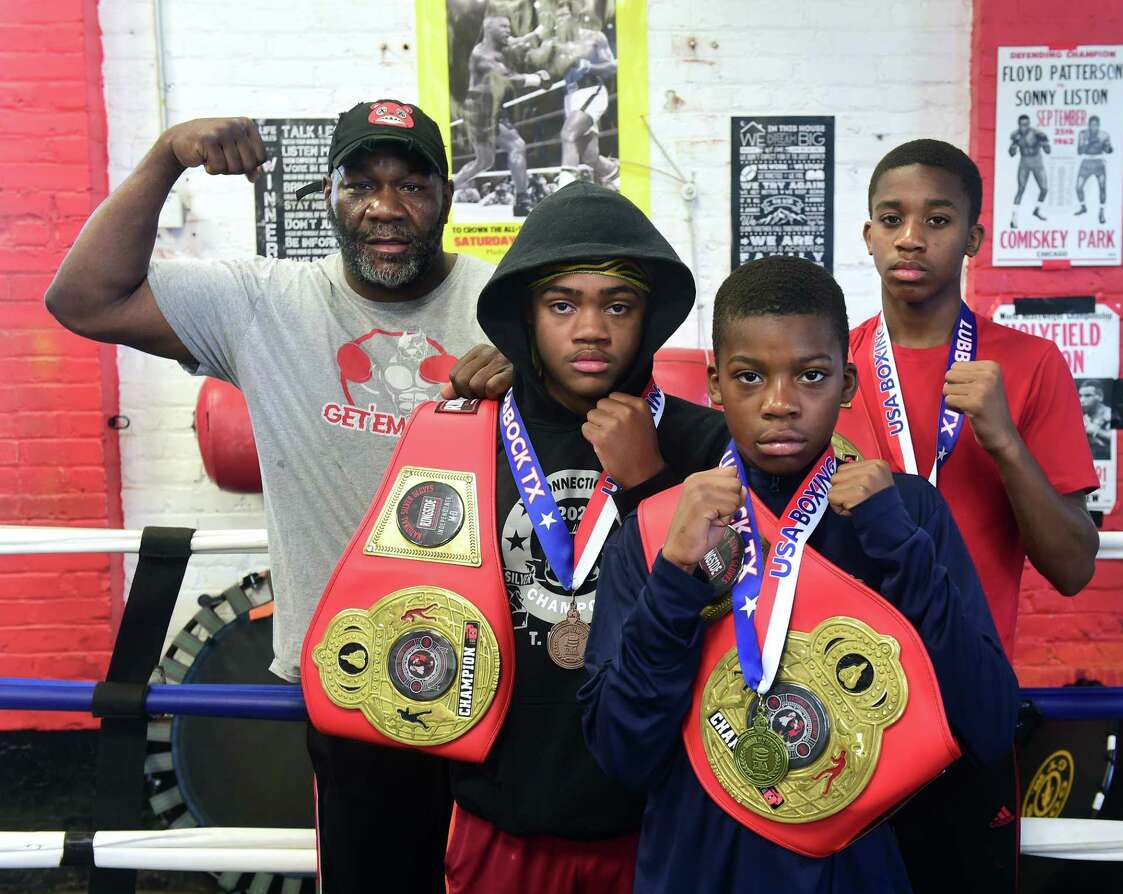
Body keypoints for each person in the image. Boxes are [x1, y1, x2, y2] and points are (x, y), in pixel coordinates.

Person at [44, 99, 512, 892]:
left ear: (446, 199)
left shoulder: (510, 303)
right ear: (326, 195)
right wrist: (165, 156)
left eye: (412, 186)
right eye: (360, 184)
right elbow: (82, 299)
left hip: (502, 670)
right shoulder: (266, 303)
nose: (386, 209)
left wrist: (533, 365)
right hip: (354, 674)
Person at [579, 256, 1017, 893]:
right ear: (716, 385)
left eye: (810, 376)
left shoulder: (907, 512)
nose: (780, 404)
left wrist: (899, 547)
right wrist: (675, 580)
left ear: (846, 382)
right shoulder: (664, 527)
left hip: (865, 869)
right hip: (700, 870)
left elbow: (988, 725)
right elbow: (623, 754)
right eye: (751, 377)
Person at [439, 180, 727, 893]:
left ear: (649, 318)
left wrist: (652, 486)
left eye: (617, 305)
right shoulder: (469, 430)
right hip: (497, 810)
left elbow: (735, 597)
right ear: (525, 318)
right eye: (562, 304)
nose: (591, 328)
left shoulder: (705, 440)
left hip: (655, 814)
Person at [852, 139, 1100, 892]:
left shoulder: (1029, 366)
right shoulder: (825, 367)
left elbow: (1073, 568)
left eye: (938, 218)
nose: (911, 237)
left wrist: (1003, 439)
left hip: (968, 710)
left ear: (975, 239)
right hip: (844, 705)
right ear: (868, 234)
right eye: (891, 218)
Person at [453, 15, 550, 217]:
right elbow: (507, 80)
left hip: (494, 107)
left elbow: (521, 41)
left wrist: (542, 29)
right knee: (506, 150)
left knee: (486, 161)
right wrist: (537, 79)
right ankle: (522, 200)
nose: (508, 30)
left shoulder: (499, 45)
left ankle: (449, 187)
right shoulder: (482, 55)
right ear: (489, 29)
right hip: (479, 109)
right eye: (503, 27)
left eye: (508, 26)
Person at [526, 0, 620, 188]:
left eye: (564, 15)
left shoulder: (594, 38)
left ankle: (565, 187)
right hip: (570, 97)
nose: (560, 20)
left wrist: (590, 67)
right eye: (557, 17)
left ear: (575, 15)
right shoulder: (555, 44)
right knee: (589, 156)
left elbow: (612, 66)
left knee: (568, 134)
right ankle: (615, 175)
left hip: (591, 91)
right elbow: (541, 64)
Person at [1008, 114, 1050, 228]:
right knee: (1021, 189)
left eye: (1026, 124)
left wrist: (1044, 143)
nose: (1024, 127)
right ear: (1019, 125)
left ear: (1029, 124)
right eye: (1022, 125)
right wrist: (1014, 145)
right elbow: (1011, 154)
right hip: (1024, 162)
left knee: (1044, 189)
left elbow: (1048, 151)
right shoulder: (1015, 135)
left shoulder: (1037, 134)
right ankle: (1014, 218)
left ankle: (1037, 210)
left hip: (1037, 161)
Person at [1075, 115, 1114, 224]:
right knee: (1078, 187)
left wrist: (1109, 148)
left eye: (1096, 125)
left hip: (1098, 163)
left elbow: (1108, 149)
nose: (1094, 127)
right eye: (1092, 125)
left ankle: (1101, 212)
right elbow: (1079, 151)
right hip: (1086, 162)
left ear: (1099, 126)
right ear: (1088, 125)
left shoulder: (1104, 135)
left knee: (1102, 188)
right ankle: (1083, 207)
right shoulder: (1083, 134)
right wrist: (1089, 143)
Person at [1079, 378, 1114, 460]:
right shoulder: (1082, 417)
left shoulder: (1112, 414)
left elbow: (1121, 442)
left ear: (1100, 396)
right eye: (1080, 396)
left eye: (1087, 396)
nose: (1081, 400)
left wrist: (1095, 431)